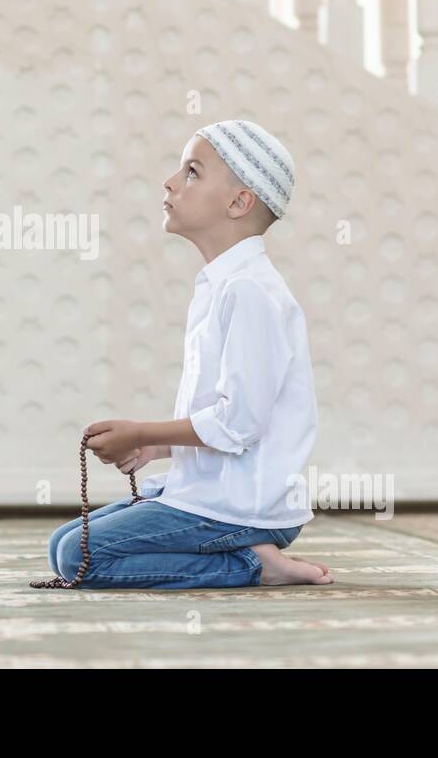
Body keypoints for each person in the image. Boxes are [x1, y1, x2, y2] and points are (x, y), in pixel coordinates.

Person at [45, 119, 332, 588]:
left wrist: (142, 429)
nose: (171, 182)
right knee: (63, 546)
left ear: (239, 202)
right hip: (213, 494)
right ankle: (247, 553)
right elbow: (227, 419)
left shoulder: (249, 292)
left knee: (79, 557)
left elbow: (240, 423)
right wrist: (158, 446)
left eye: (192, 172)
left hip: (245, 504)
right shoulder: (221, 287)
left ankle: (252, 564)